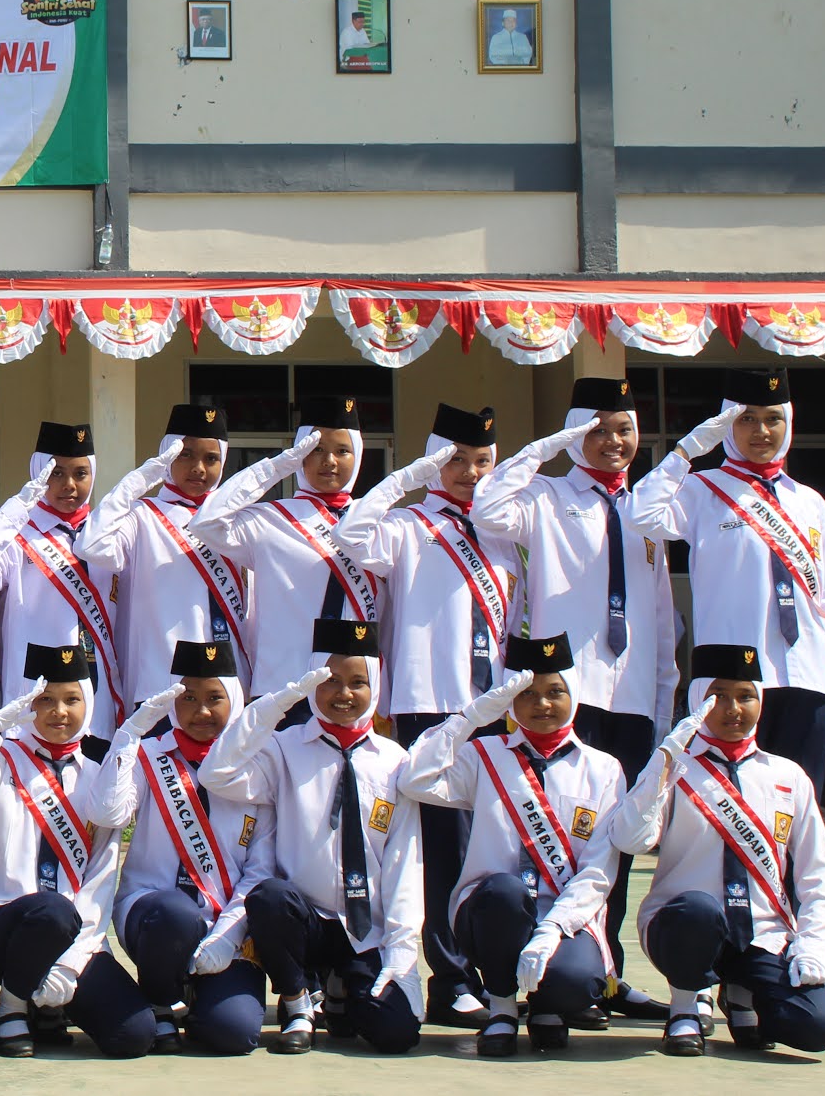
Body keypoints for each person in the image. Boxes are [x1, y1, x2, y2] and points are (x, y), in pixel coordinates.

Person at [473, 375, 678, 1020]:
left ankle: (602, 969)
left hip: (635, 692)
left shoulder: (646, 508)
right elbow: (487, 506)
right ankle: (533, 969)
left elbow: (663, 613)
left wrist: (665, 697)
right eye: (599, 428)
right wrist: (553, 445)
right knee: (552, 839)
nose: (615, 442)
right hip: (567, 694)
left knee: (611, 842)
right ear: (575, 433)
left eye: (625, 429)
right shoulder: (545, 497)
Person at [335, 402, 520, 1024]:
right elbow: (351, 534)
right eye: (457, 461)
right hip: (427, 702)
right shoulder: (408, 526)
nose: (470, 473)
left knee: (490, 848)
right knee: (440, 848)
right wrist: (412, 475)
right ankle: (448, 975)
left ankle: (492, 968)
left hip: (492, 706)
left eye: (481, 462)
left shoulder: (502, 529)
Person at [199, 619, 424, 1055]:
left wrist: (401, 956)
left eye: (358, 682)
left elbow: (404, 863)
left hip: (367, 929)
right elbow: (217, 773)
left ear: (375, 685)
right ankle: (298, 1001)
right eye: (330, 681)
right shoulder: (284, 747)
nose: (344, 694)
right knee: (268, 897)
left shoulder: (396, 761)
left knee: (395, 1033)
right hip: (303, 923)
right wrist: (273, 706)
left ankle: (342, 993)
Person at [398, 634, 626, 1057]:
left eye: (555, 692)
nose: (542, 705)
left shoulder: (603, 768)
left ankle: (547, 1010)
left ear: (573, 694)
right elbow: (414, 779)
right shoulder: (483, 755)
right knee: (504, 892)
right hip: (493, 914)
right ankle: (502, 1007)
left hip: (565, 917)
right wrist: (468, 717)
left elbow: (599, 870)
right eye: (528, 694)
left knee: (578, 983)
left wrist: (554, 928)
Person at [626, 369, 825, 792]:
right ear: (725, 424)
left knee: (797, 816)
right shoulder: (701, 490)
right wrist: (687, 450)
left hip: (808, 678)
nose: (761, 431)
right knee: (737, 810)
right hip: (736, 683)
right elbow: (640, 515)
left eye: (773, 418)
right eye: (746, 418)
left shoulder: (810, 501)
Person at [613, 644, 825, 1057]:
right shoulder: (675, 767)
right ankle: (685, 1004)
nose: (733, 709)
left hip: (763, 934)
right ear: (697, 701)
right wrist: (663, 763)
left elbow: (818, 872)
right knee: (699, 912)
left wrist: (813, 944)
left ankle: (740, 992)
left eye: (746, 696)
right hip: (683, 925)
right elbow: (630, 839)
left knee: (817, 1027)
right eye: (717, 696)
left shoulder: (788, 776)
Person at [0, 642, 154, 1058]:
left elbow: (103, 876)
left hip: (70, 933)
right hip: (1, 924)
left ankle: (45, 997)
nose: (59, 712)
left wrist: (73, 960)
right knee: (50, 911)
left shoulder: (99, 776)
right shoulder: (1, 760)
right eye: (45, 700)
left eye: (72, 700)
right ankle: (13, 1007)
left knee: (134, 1034)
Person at [77, 639, 272, 1055]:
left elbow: (261, 868)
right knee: (175, 914)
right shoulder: (148, 755)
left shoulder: (258, 766)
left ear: (234, 699)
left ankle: (204, 1002)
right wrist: (127, 737)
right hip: (154, 915)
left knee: (233, 1033)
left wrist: (227, 935)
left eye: (215, 698)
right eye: (188, 698)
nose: (201, 711)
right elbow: (108, 814)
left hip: (227, 928)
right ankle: (160, 998)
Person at [187, 395, 377, 713]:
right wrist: (278, 466)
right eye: (316, 450)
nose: (329, 461)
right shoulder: (269, 518)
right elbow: (205, 523)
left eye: (342, 451)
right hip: (284, 689)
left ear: (357, 456)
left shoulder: (374, 521)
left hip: (354, 692)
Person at [78, 401, 244, 712]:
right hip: (159, 685)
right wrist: (140, 479)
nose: (199, 468)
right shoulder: (141, 516)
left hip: (226, 688)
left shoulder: (235, 520)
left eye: (211, 459)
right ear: (166, 455)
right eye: (185, 455)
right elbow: (91, 545)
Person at [0, 422, 122, 739]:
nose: (69, 485)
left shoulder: (109, 534)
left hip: (99, 700)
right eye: (56, 473)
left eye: (80, 473)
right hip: (33, 702)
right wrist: (18, 507)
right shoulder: (18, 534)